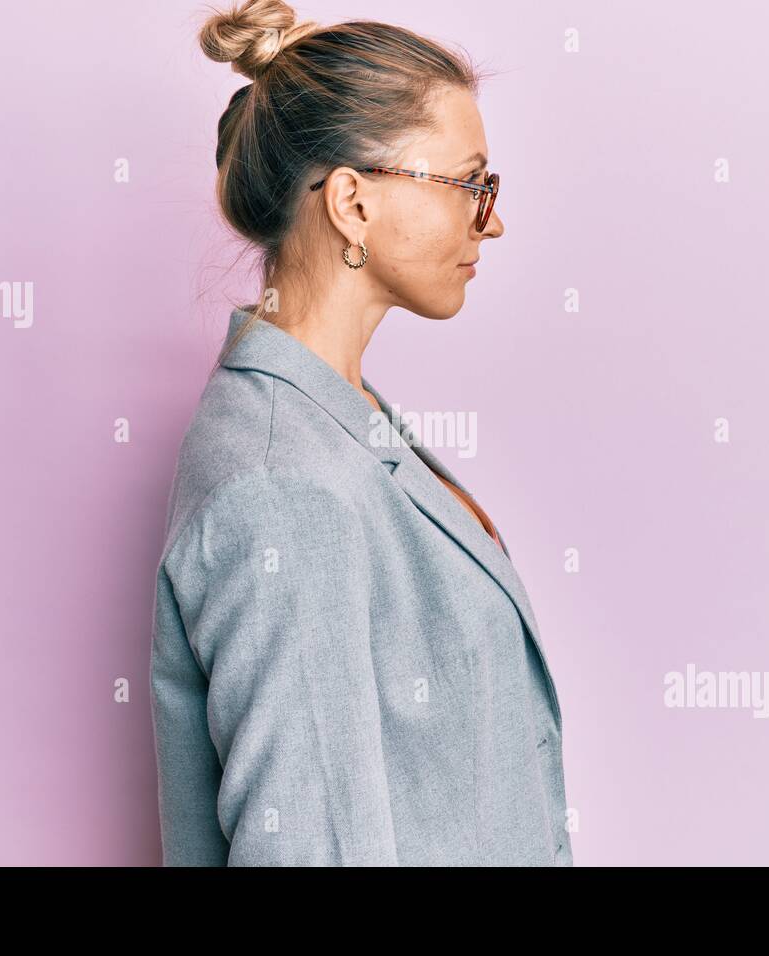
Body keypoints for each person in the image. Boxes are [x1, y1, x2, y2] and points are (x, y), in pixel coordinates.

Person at [149, 0, 572, 865]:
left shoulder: (338, 422)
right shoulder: (283, 486)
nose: (491, 219)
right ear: (351, 201)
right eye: (469, 183)